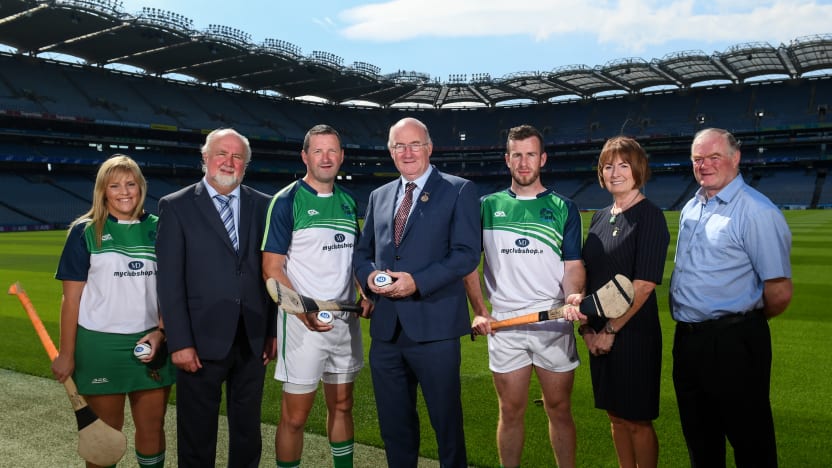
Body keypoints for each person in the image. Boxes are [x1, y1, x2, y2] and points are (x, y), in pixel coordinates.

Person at [353, 117, 480, 468]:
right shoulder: (379, 196)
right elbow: (362, 253)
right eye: (399, 145)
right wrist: (371, 277)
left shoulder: (458, 189)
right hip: (386, 332)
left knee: (446, 424)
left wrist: (417, 281)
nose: (407, 152)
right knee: (394, 427)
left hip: (435, 327)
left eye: (414, 144)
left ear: (429, 147)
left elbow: (467, 253)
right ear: (390, 151)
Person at [670, 128, 792, 467]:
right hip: (689, 341)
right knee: (700, 441)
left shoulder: (757, 211)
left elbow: (779, 291)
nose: (704, 165)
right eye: (698, 159)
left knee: (751, 442)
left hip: (734, 341)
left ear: (735, 158)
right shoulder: (692, 207)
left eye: (714, 157)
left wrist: (740, 323)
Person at [465, 124, 585, 468]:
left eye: (530, 154)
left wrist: (573, 296)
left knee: (559, 409)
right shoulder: (487, 206)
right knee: (510, 410)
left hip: (554, 323)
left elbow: (573, 264)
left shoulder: (564, 207)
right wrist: (479, 309)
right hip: (504, 326)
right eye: (516, 154)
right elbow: (468, 265)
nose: (523, 162)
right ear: (507, 159)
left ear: (542, 159)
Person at [156, 128, 277, 467]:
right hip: (199, 339)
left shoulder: (264, 206)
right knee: (197, 434)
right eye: (222, 153)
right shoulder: (176, 206)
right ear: (205, 158)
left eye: (238, 156)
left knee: (248, 432)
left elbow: (270, 273)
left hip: (252, 340)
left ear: (246, 165)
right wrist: (179, 341)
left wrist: (271, 331)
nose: (229, 161)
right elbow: (169, 282)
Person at [52, 154, 174, 468]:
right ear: (103, 191)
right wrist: (67, 353)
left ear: (141, 187)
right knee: (104, 437)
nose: (124, 191)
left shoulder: (161, 229)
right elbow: (71, 301)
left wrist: (162, 331)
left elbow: (171, 292)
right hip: (99, 347)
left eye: (130, 183)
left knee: (153, 428)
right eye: (114, 185)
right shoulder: (85, 231)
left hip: (151, 344)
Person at [261, 124, 372, 468]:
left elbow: (352, 260)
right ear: (305, 156)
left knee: (343, 405)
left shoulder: (348, 201)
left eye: (332, 151)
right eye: (318, 151)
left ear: (342, 156)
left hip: (344, 322)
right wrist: (302, 312)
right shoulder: (286, 201)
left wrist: (364, 290)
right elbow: (272, 269)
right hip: (301, 326)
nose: (326, 158)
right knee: (295, 417)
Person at [577, 136, 669, 467]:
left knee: (636, 420)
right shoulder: (600, 217)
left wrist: (610, 331)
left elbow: (643, 286)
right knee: (615, 416)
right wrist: (588, 329)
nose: (615, 172)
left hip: (632, 335)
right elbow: (588, 276)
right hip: (599, 332)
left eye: (624, 165)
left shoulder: (651, 217)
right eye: (607, 166)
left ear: (638, 169)